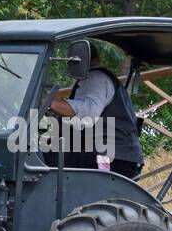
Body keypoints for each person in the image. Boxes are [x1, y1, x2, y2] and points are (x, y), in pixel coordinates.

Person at [45, 41, 144, 178]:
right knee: (48, 153)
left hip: (110, 160)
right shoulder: (94, 79)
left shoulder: (96, 78)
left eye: (69, 61)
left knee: (43, 160)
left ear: (78, 60)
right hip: (113, 157)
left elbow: (88, 113)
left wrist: (47, 102)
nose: (68, 65)